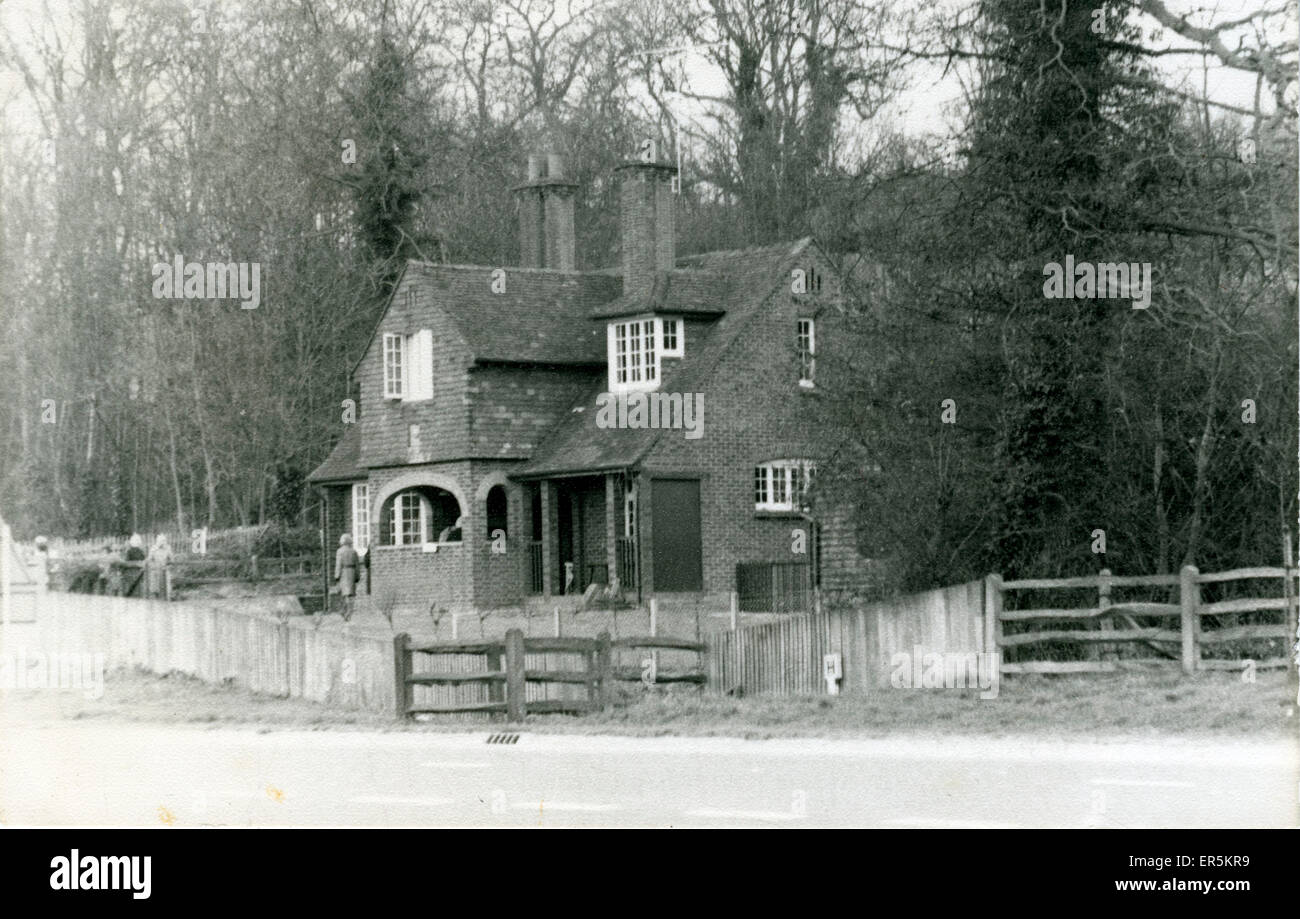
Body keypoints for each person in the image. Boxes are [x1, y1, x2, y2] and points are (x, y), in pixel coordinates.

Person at [334, 533, 359, 622]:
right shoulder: (354, 552)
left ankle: (345, 612)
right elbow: (357, 565)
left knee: (344, 594)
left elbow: (338, 564)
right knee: (351, 595)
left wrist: (337, 576)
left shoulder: (339, 551)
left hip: (344, 573)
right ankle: (349, 612)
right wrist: (357, 576)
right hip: (352, 573)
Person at [147, 534, 172, 598]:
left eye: (163, 541)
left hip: (164, 570)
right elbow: (149, 560)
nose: (162, 543)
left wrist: (168, 565)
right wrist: (153, 566)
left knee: (166, 587)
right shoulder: (153, 549)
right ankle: (155, 597)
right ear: (157, 541)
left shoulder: (168, 548)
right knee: (154, 588)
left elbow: (171, 560)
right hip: (155, 570)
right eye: (160, 541)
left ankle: (167, 598)